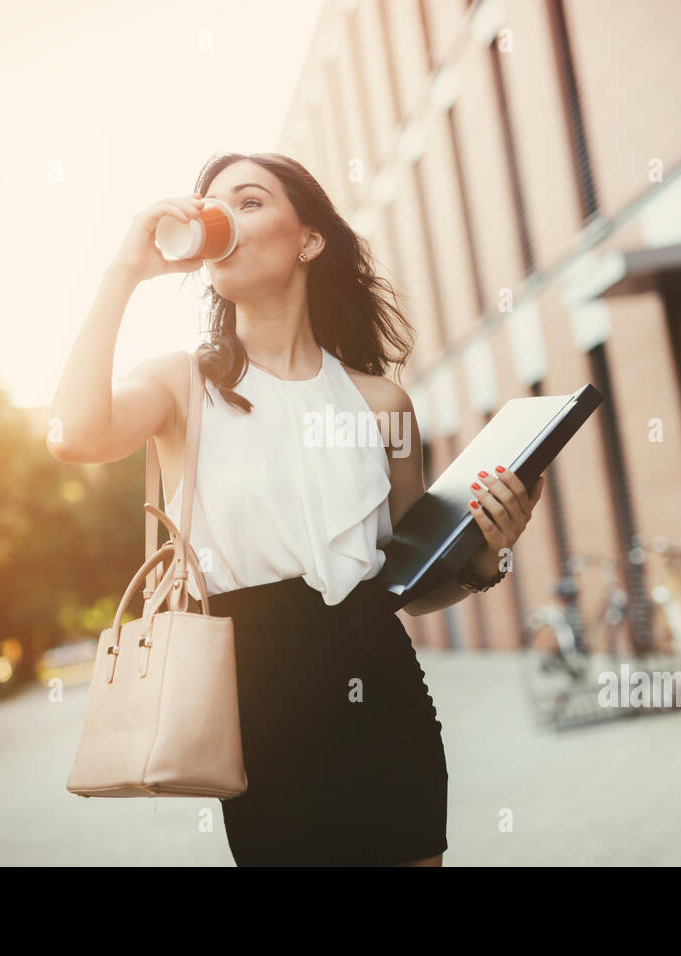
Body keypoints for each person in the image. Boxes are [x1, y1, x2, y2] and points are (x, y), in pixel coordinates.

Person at [48, 151, 546, 866]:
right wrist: (123, 272)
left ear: (308, 240)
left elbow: (414, 588)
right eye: (210, 204)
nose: (221, 219)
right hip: (260, 713)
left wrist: (489, 548)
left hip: (385, 696)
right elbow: (75, 436)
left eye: (248, 202)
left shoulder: (380, 403)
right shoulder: (183, 384)